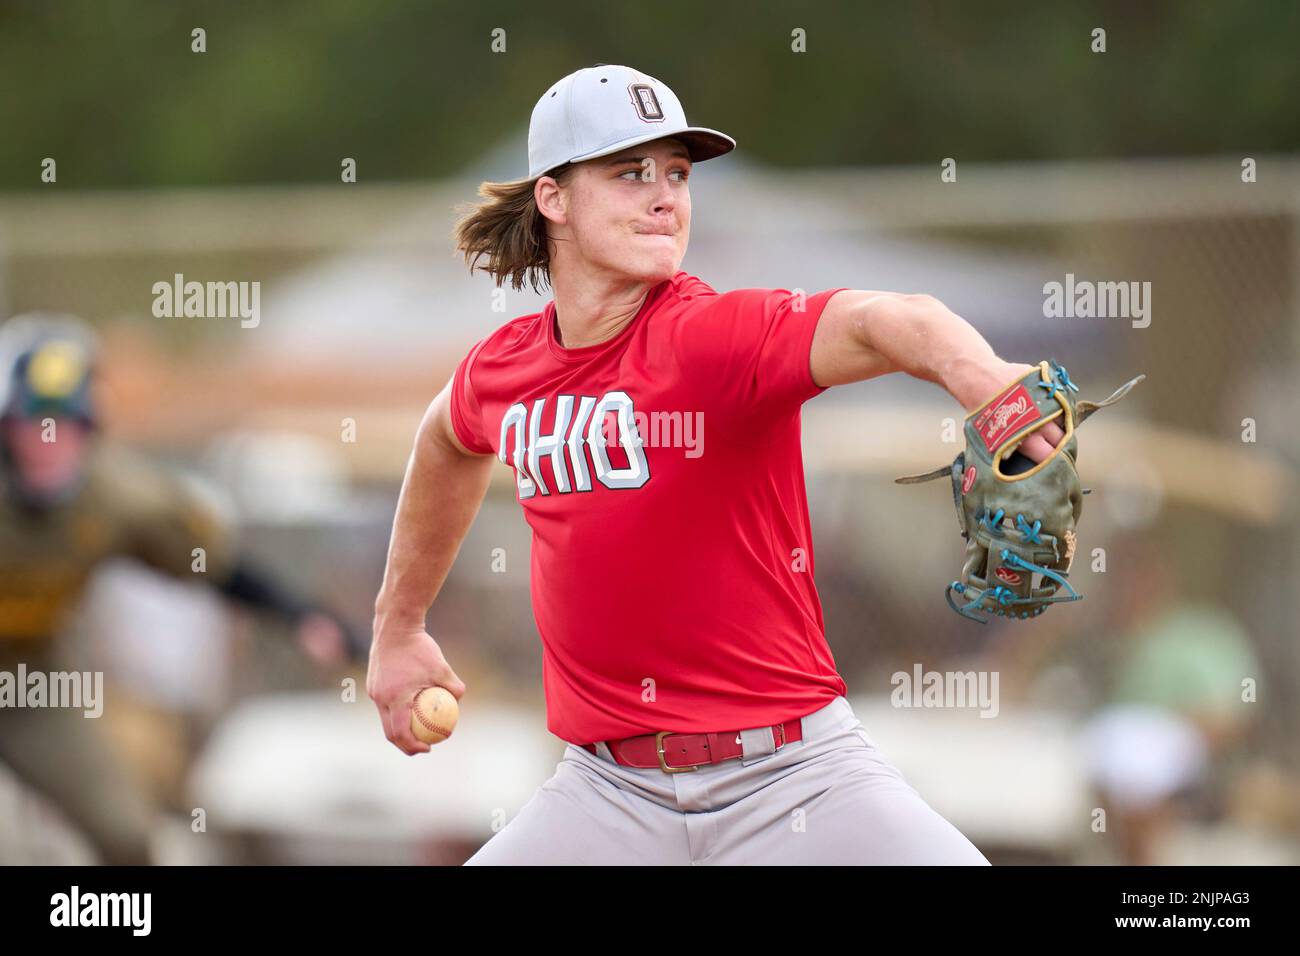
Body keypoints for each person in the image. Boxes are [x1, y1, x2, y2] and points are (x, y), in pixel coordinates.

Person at [368, 64, 1066, 865]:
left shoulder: (714, 339)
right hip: (606, 796)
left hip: (795, 781)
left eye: (676, 173)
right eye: (630, 173)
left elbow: (888, 321)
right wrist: (399, 626)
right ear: (552, 198)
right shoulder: (507, 368)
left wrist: (984, 380)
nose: (665, 195)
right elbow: (445, 440)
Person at [0, 312, 357, 864]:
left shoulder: (113, 497)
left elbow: (215, 566)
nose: (50, 442)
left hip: (29, 682)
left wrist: (303, 615)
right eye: (35, 422)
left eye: (68, 424)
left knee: (125, 834)